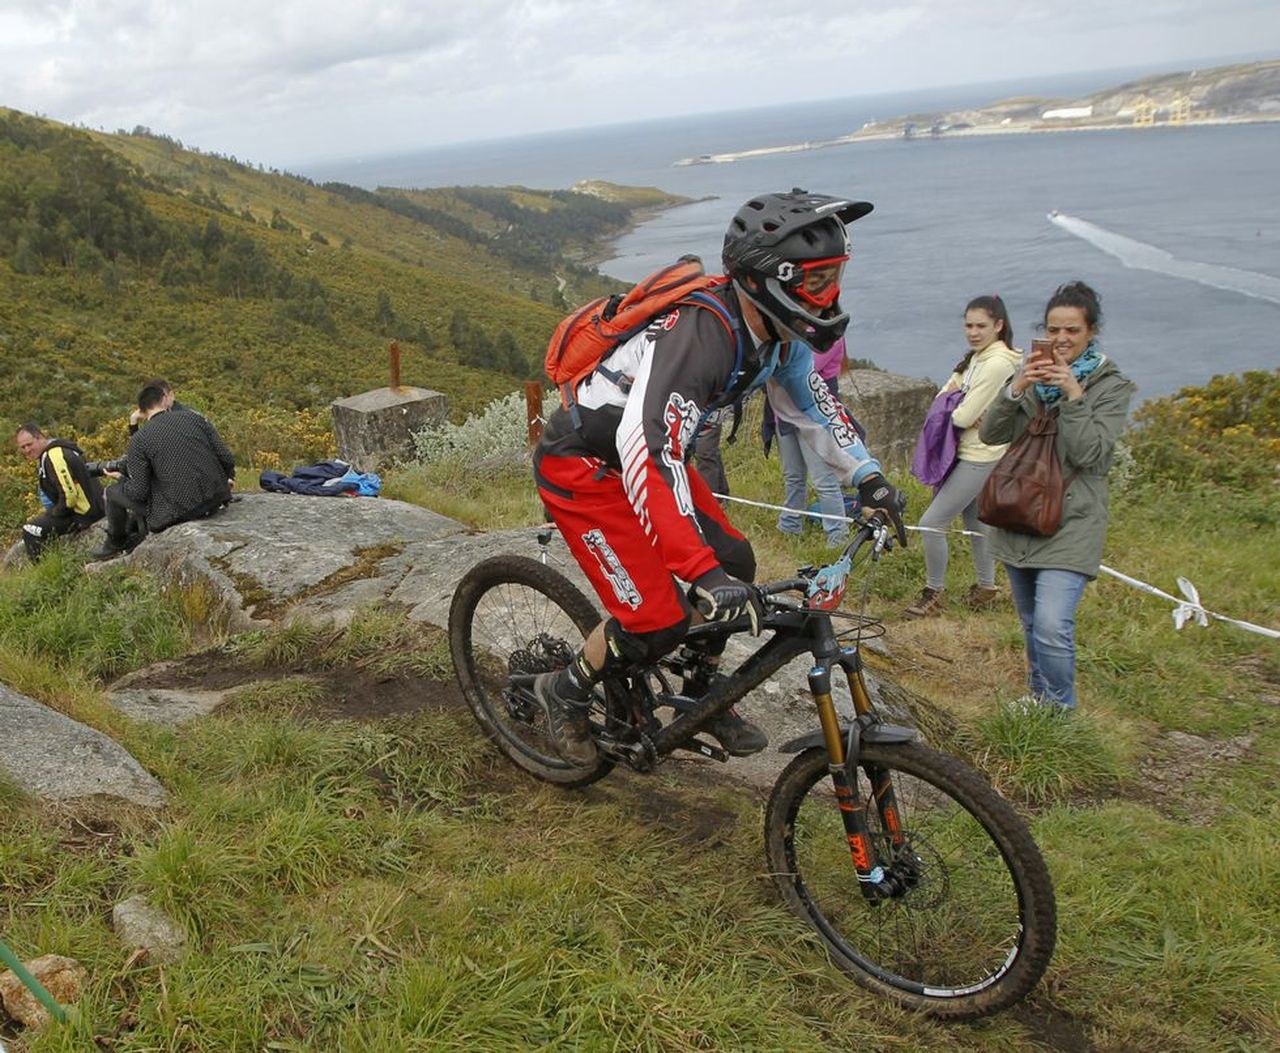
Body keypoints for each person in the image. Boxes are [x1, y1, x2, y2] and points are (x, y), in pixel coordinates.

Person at [531, 189, 907, 766]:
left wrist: (869, 477)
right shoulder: (702, 334)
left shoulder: (779, 341)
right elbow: (647, 445)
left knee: (738, 561)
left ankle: (702, 689)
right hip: (585, 466)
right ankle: (564, 688)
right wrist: (696, 570)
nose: (829, 297)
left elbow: (813, 407)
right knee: (656, 620)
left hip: (651, 460)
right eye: (815, 282)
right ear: (762, 281)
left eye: (835, 278)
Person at [978, 281, 1135, 709]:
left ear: (1091, 332)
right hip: (1018, 513)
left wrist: (1073, 395)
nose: (1062, 340)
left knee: (1051, 623)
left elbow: (1091, 454)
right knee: (1030, 621)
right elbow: (992, 433)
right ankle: (1039, 698)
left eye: (1072, 331)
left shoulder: (1111, 385)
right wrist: (1016, 388)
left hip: (1071, 520)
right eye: (1054, 330)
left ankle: (1061, 713)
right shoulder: (1031, 376)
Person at [906, 295, 1022, 616]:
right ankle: (986, 587)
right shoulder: (978, 357)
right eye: (968, 325)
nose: (973, 332)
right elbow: (945, 395)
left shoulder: (997, 362)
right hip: (975, 449)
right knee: (975, 520)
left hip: (980, 454)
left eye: (981, 326)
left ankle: (935, 592)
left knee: (931, 523)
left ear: (999, 326)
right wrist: (961, 406)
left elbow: (958, 414)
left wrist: (961, 406)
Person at [92, 383, 236, 559]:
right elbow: (226, 456)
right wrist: (227, 479)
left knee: (113, 492)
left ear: (142, 411)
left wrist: (123, 479)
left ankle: (115, 544)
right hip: (217, 498)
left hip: (182, 510)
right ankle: (130, 534)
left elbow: (139, 492)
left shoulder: (140, 439)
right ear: (164, 400)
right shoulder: (194, 418)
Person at [764, 335, 852, 547]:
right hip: (785, 414)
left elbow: (800, 370)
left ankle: (837, 537)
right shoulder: (795, 333)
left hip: (816, 419)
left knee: (824, 480)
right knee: (793, 476)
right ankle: (790, 525)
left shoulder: (831, 337)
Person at [13, 424, 105, 561]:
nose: (27, 450)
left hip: (84, 514)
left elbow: (70, 496)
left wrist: (55, 513)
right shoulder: (61, 449)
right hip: (95, 505)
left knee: (30, 530)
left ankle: (43, 573)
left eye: (29, 444)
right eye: (23, 447)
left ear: (40, 438)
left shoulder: (54, 456)